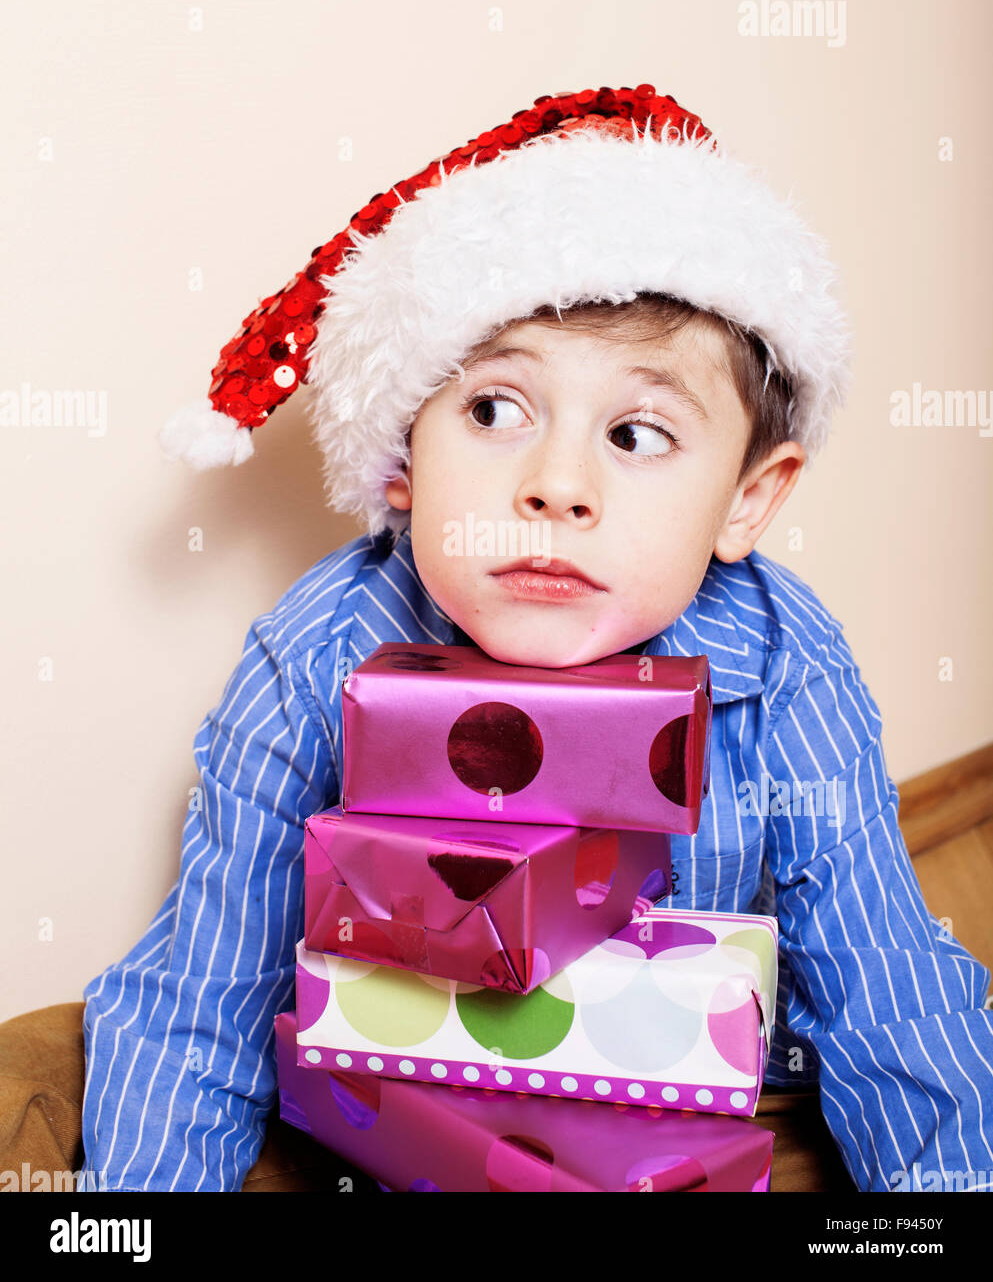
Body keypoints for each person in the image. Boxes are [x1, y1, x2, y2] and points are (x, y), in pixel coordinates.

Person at [71, 86, 993, 1190]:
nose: (556, 486)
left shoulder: (783, 664)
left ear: (749, 500)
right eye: (495, 411)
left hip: (692, 1123)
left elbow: (889, 995)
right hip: (405, 1137)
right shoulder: (318, 655)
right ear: (400, 462)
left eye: (638, 434)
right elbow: (195, 1007)